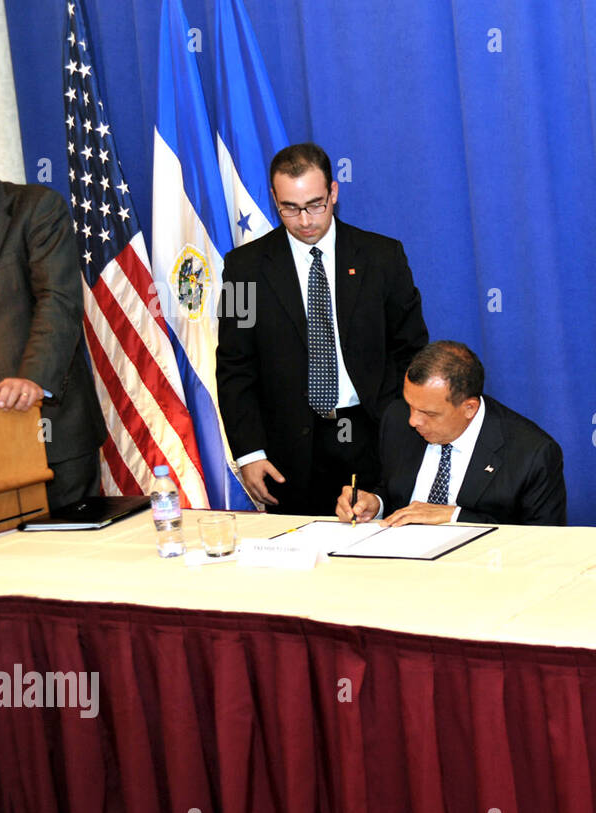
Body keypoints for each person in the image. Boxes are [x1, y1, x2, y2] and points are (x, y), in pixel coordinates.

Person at [216, 143, 427, 515]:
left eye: (315, 204)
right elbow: (235, 367)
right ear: (274, 199)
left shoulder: (383, 258)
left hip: (371, 438)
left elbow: (410, 352)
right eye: (290, 208)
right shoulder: (242, 269)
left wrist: (399, 431)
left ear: (333, 192)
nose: (305, 220)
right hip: (289, 454)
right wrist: (249, 452)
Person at [337, 341, 566, 526]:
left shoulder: (532, 453)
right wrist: (375, 504)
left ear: (469, 408)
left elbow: (542, 541)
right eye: (410, 405)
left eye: (429, 413)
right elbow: (392, 489)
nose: (413, 420)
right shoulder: (395, 420)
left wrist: (453, 516)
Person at [0, 178, 106, 509]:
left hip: (53, 434)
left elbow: (57, 299)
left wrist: (34, 377)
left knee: (69, 554)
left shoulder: (35, 206)